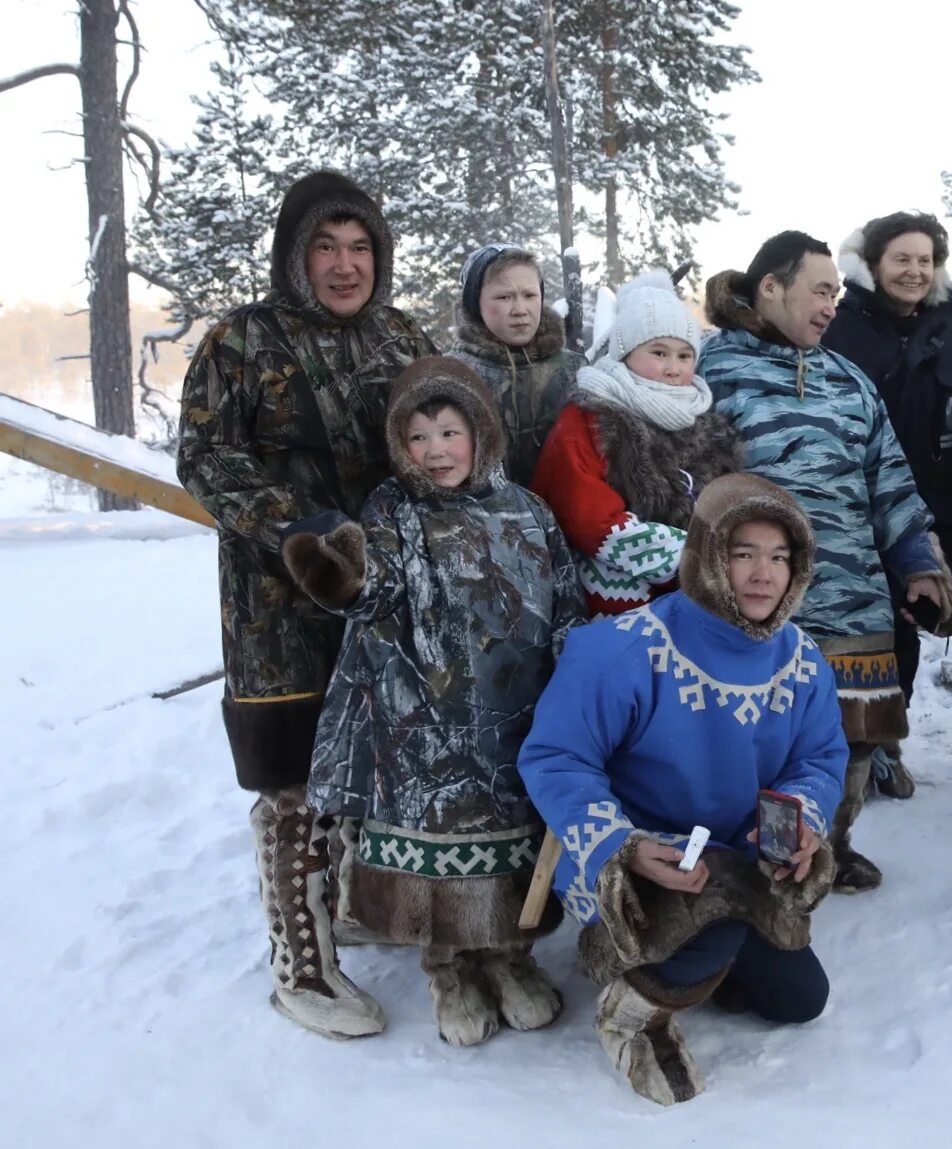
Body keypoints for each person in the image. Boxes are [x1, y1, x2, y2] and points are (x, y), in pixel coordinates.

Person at [176, 170, 436, 1038]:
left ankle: (355, 903)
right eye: (324, 246)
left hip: (385, 589)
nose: (343, 264)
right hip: (276, 599)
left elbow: (446, 440)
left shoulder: (401, 336)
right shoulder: (241, 341)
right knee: (294, 779)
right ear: (295, 254)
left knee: (371, 753)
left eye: (359, 246)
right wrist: (298, 531)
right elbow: (206, 459)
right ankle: (302, 964)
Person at [516, 474, 848, 1106]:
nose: (763, 573)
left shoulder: (803, 660)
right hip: (640, 856)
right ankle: (630, 1012)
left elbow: (820, 759)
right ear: (707, 556)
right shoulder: (623, 648)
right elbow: (557, 758)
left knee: (800, 1000)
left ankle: (700, 958)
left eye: (780, 557)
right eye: (743, 552)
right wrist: (622, 845)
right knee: (713, 923)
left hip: (740, 864)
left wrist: (802, 819)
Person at [280, 357, 586, 1041]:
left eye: (449, 431)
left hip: (515, 718)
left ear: (480, 433)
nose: (435, 450)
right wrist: (348, 578)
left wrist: (576, 657)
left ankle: (509, 959)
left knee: (510, 854)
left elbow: (564, 589)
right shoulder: (394, 507)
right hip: (425, 725)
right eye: (417, 438)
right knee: (442, 865)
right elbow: (381, 580)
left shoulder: (527, 509)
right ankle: (449, 972)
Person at [699, 231, 952, 893]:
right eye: (819, 290)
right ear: (770, 287)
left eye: (835, 293)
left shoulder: (847, 378)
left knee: (850, 743)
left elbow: (889, 481)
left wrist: (919, 564)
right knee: (763, 748)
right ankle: (763, 860)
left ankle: (828, 845)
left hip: (853, 600)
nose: (830, 305)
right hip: (754, 607)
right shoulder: (712, 373)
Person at [822, 211, 952, 799]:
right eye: (901, 258)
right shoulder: (836, 332)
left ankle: (884, 744)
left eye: (925, 260)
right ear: (873, 264)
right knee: (850, 628)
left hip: (931, 511)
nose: (914, 271)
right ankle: (834, 748)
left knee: (909, 625)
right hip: (849, 512)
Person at [530, 270, 741, 617]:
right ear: (626, 353)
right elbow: (589, 518)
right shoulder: (590, 417)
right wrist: (696, 553)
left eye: (684, 355)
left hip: (698, 605)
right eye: (659, 352)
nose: (674, 368)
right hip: (612, 607)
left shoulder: (708, 424)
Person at [449, 244, 583, 486]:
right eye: (504, 297)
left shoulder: (575, 370)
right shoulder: (451, 374)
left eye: (530, 295)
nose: (520, 310)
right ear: (474, 302)